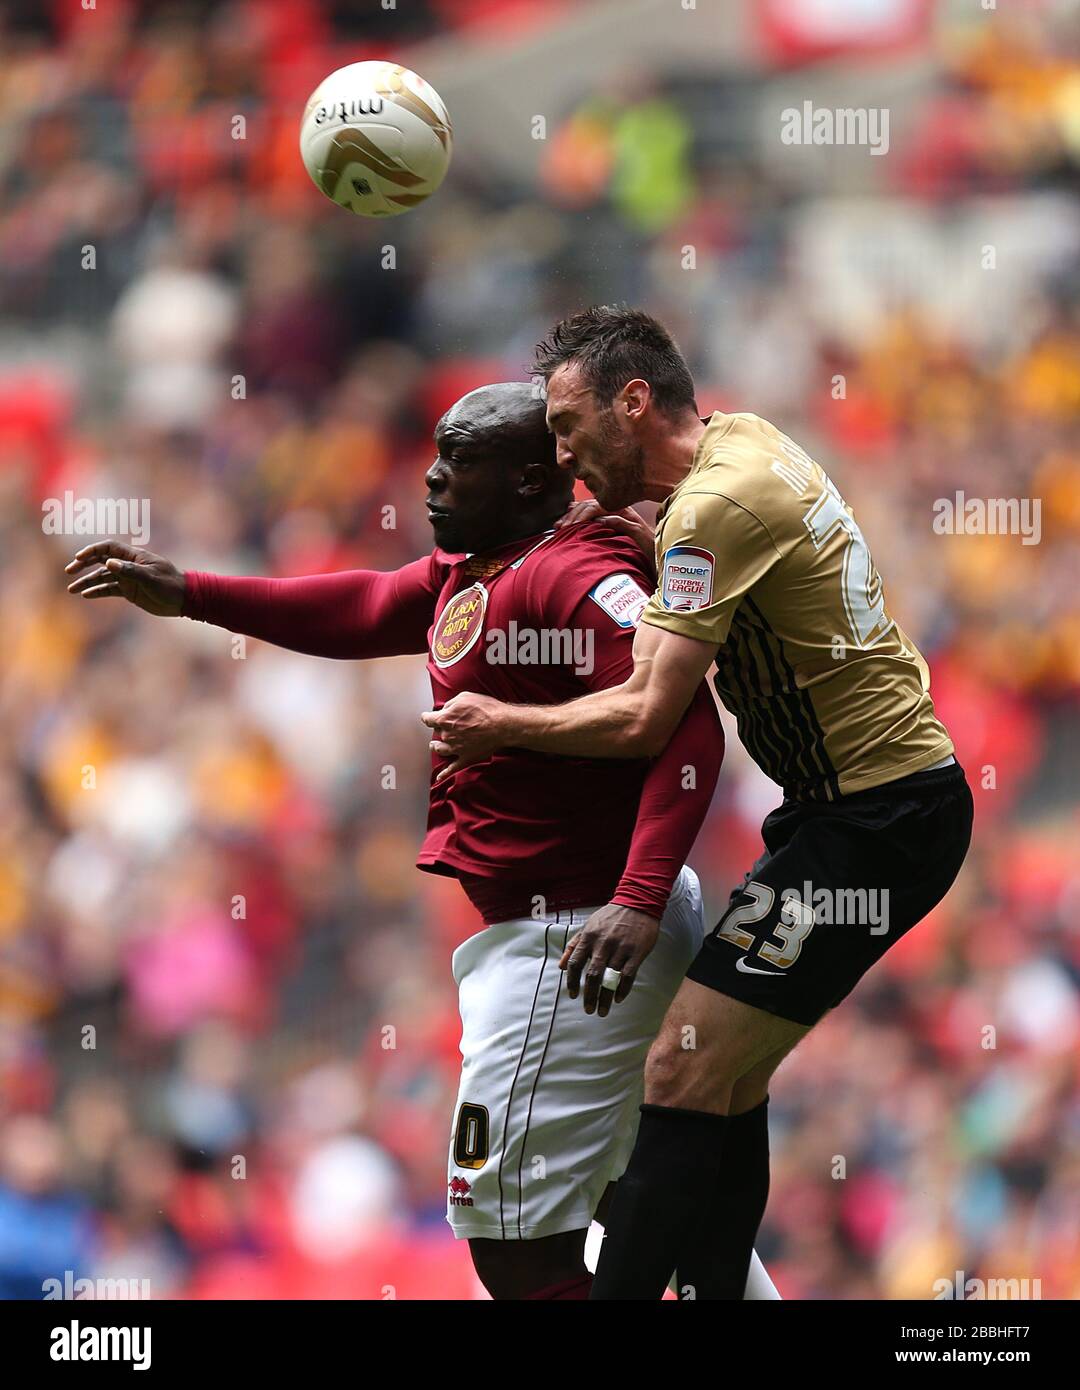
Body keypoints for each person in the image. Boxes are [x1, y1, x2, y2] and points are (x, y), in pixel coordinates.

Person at [65, 381, 777, 1302]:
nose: (433, 477)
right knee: (657, 1216)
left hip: (575, 941)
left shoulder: (571, 577)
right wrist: (193, 592)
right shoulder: (478, 565)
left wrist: (636, 898)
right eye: (437, 453)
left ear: (530, 479)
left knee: (515, 1248)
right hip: (574, 931)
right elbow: (365, 606)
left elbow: (685, 727)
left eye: (460, 461)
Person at [423, 311, 974, 1300]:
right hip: (846, 813)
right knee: (722, 1073)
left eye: (568, 423)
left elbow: (646, 714)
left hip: (878, 825)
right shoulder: (746, 445)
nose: (560, 452)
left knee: (680, 1068)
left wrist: (502, 721)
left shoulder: (715, 507)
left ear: (633, 401)